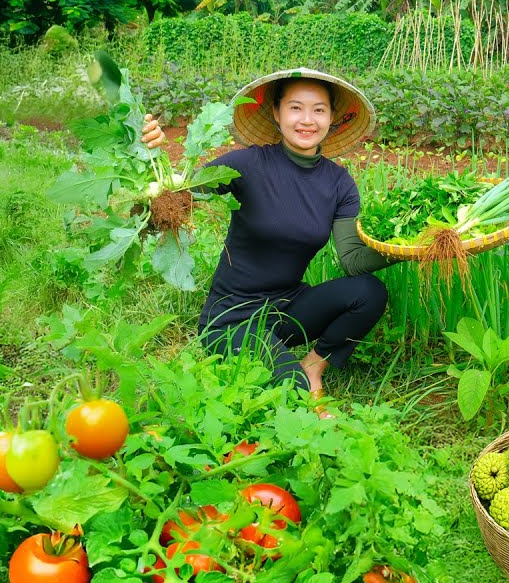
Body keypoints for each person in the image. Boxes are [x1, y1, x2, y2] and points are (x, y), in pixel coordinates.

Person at [141, 69, 396, 398]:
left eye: (319, 110)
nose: (307, 120)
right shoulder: (247, 164)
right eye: (295, 108)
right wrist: (155, 156)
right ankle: (290, 373)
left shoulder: (339, 184)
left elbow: (353, 260)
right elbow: (179, 194)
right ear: (276, 113)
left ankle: (313, 368)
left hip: (286, 310)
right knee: (294, 391)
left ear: (332, 117)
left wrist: (408, 248)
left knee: (369, 291)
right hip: (232, 319)